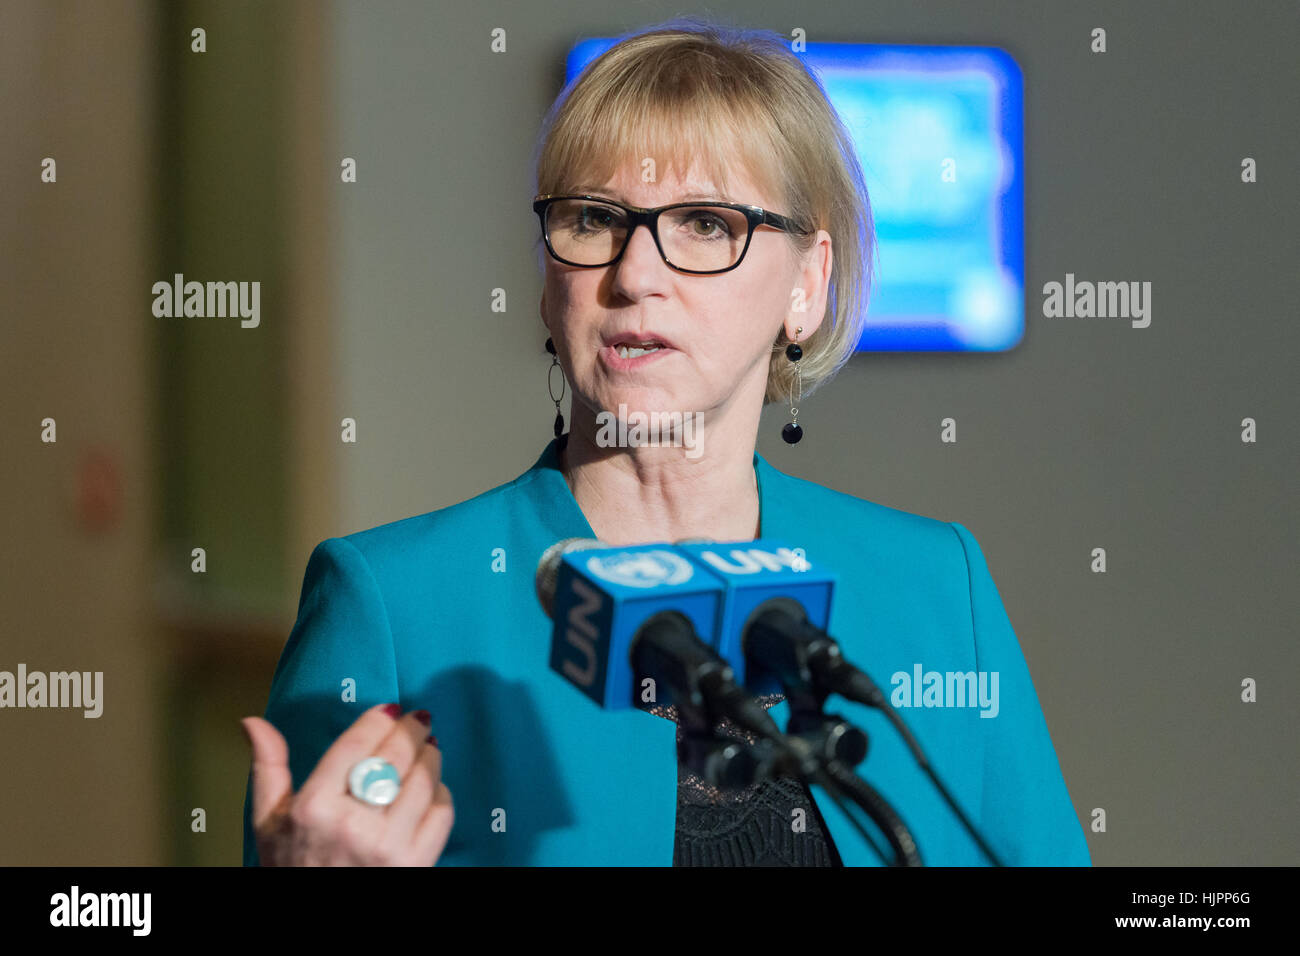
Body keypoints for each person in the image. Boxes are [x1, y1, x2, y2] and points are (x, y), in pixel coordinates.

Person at [241, 17, 1091, 867]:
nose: (636, 276)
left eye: (706, 225)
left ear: (809, 283)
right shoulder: (393, 606)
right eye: (593, 219)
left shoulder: (938, 585)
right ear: (548, 282)